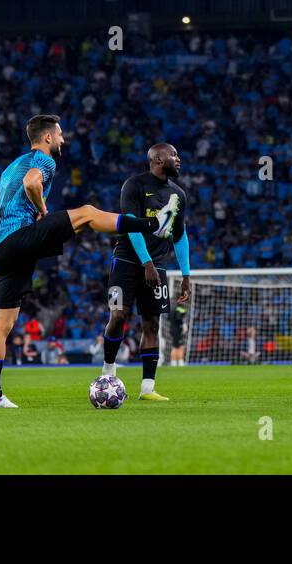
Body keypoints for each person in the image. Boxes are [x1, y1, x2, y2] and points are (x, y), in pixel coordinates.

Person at [0, 114, 180, 407]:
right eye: (59, 135)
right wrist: (42, 209)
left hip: (0, 247)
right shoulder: (44, 160)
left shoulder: (10, 166)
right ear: (47, 137)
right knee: (86, 212)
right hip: (21, 236)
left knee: (3, 324)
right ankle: (151, 224)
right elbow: (32, 182)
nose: (63, 139)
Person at [101, 143, 192, 401]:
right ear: (159, 159)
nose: (178, 158)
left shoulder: (178, 195)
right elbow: (131, 226)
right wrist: (146, 263)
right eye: (174, 155)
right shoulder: (134, 185)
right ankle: (108, 372)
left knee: (152, 323)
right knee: (119, 315)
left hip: (159, 267)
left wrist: (186, 275)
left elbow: (180, 235)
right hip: (126, 263)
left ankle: (147, 389)